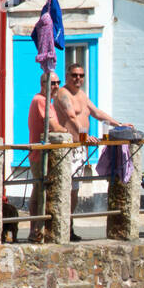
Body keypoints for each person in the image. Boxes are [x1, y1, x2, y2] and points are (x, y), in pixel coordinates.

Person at [54, 61, 123, 241]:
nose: (78, 78)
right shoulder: (63, 94)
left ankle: (68, 227)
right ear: (67, 76)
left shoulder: (82, 95)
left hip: (80, 150)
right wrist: (85, 136)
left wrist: (119, 124)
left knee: (75, 190)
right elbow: (70, 116)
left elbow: (97, 113)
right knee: (65, 189)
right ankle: (61, 228)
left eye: (81, 75)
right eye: (74, 75)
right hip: (68, 148)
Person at [27, 71, 66, 243]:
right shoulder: (41, 100)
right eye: (52, 83)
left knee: (41, 191)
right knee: (39, 192)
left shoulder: (46, 101)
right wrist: (70, 133)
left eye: (58, 82)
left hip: (43, 155)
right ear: (43, 84)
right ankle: (35, 230)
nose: (56, 86)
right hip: (39, 155)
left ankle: (38, 229)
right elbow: (54, 127)